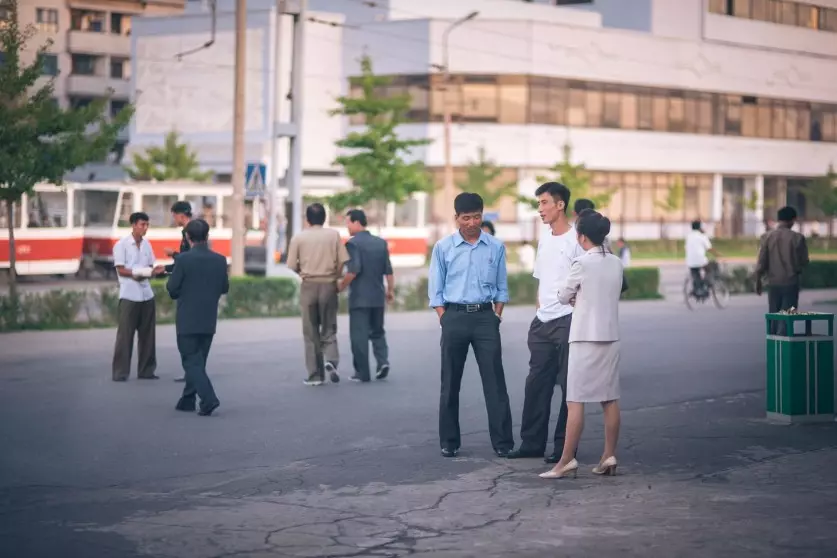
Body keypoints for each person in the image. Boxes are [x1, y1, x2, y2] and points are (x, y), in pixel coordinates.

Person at [428, 192, 515, 458]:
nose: (472, 222)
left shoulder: (495, 247)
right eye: (466, 218)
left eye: (477, 217)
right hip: (453, 317)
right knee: (450, 382)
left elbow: (501, 287)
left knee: (495, 382)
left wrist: (496, 315)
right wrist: (444, 317)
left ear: (482, 215)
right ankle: (449, 442)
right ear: (456, 219)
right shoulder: (443, 248)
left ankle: (503, 443)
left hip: (485, 319)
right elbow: (436, 290)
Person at [540, 209, 624, 479]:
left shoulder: (581, 263)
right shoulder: (615, 262)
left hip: (584, 337)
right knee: (609, 399)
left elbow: (564, 296)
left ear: (581, 236)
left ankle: (565, 461)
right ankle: (609, 454)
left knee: (575, 400)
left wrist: (575, 296)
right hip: (610, 336)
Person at [507, 182, 585, 463]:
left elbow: (584, 281)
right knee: (536, 384)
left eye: (543, 203)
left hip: (568, 321)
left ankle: (564, 449)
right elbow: (542, 278)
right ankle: (531, 444)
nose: (539, 209)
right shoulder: (545, 238)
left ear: (560, 204)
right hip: (543, 322)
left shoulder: (577, 239)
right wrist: (538, 312)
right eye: (539, 204)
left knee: (568, 387)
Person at [167, 219, 229, 416]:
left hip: (187, 319)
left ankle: (209, 399)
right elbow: (224, 288)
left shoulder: (183, 260)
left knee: (191, 362)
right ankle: (187, 399)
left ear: (187, 236)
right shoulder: (220, 260)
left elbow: (172, 289)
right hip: (209, 319)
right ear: (207, 236)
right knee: (198, 362)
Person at [286, 203, 350, 386]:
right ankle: (331, 359)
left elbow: (291, 264)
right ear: (324, 218)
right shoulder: (333, 235)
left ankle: (315, 375)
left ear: (307, 219)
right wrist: (335, 276)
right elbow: (343, 261)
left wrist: (303, 272)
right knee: (329, 327)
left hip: (309, 285)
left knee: (310, 330)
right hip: (329, 285)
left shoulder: (299, 238)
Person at [339, 209, 395, 383]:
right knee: (378, 332)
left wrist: (341, 286)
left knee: (359, 336)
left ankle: (362, 373)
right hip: (378, 296)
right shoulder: (380, 243)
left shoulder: (352, 244)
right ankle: (383, 362)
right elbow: (388, 270)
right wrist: (390, 291)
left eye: (348, 222)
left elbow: (353, 270)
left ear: (356, 223)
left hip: (359, 299)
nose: (347, 226)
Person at [111, 212, 166, 382]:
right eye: (142, 224)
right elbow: (120, 269)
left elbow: (150, 265)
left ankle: (146, 370)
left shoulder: (147, 245)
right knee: (125, 335)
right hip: (129, 294)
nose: (145, 228)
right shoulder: (121, 245)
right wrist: (137, 273)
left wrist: (155, 271)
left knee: (148, 335)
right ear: (133, 225)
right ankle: (120, 372)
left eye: (147, 225)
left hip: (146, 294)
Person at [755, 206, 809, 335]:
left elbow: (761, 261)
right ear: (792, 220)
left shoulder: (767, 237)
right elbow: (804, 261)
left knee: (774, 316)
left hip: (773, 282)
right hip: (791, 283)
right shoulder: (798, 238)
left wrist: (758, 281)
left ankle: (774, 347)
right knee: (788, 317)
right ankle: (785, 347)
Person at [166, 200, 193, 383]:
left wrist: (174, 255)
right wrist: (167, 268)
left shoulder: (190, 233)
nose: (174, 219)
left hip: (188, 291)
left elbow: (189, 260)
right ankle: (192, 369)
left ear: (180, 215)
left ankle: (191, 370)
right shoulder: (192, 231)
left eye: (174, 215)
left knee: (185, 332)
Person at [685, 220, 721, 298]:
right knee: (710, 269)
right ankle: (707, 284)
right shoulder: (702, 236)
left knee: (696, 275)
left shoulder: (688, 236)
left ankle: (697, 289)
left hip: (690, 261)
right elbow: (709, 248)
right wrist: (718, 254)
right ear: (700, 227)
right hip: (700, 260)